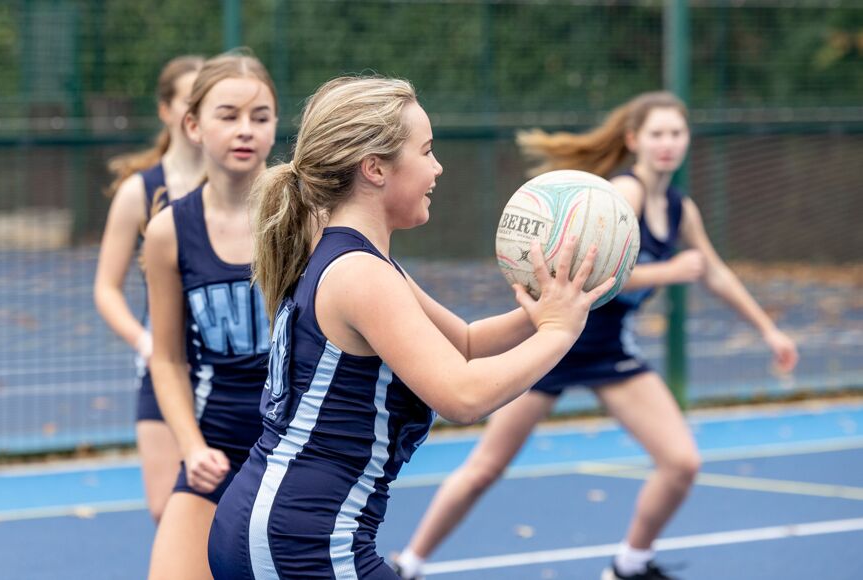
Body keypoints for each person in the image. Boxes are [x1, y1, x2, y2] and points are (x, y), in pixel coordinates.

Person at [206, 75, 615, 579]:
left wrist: (552, 307)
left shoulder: (361, 261)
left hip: (279, 527)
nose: (438, 167)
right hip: (301, 540)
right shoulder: (361, 275)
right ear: (375, 168)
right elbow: (463, 396)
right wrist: (558, 333)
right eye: (426, 151)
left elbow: (464, 344)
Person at [392, 91, 800, 580]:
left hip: (607, 350)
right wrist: (670, 271)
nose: (668, 143)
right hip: (551, 341)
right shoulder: (622, 194)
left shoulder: (680, 209)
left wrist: (769, 331)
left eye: (676, 133)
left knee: (681, 462)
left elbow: (714, 272)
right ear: (634, 140)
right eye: (657, 133)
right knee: (485, 467)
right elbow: (592, 277)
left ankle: (629, 565)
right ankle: (409, 564)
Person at [143, 51, 278, 580]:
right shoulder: (169, 232)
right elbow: (167, 359)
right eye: (229, 115)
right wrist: (193, 448)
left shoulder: (308, 217)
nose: (245, 129)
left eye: (260, 117)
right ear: (193, 126)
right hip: (218, 448)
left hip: (298, 454)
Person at [93, 55, 205, 523]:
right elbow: (106, 288)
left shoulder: (243, 186)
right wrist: (146, 342)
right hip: (167, 362)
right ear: (166, 110)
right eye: (189, 100)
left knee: (232, 506)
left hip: (234, 368)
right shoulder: (140, 191)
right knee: (167, 508)